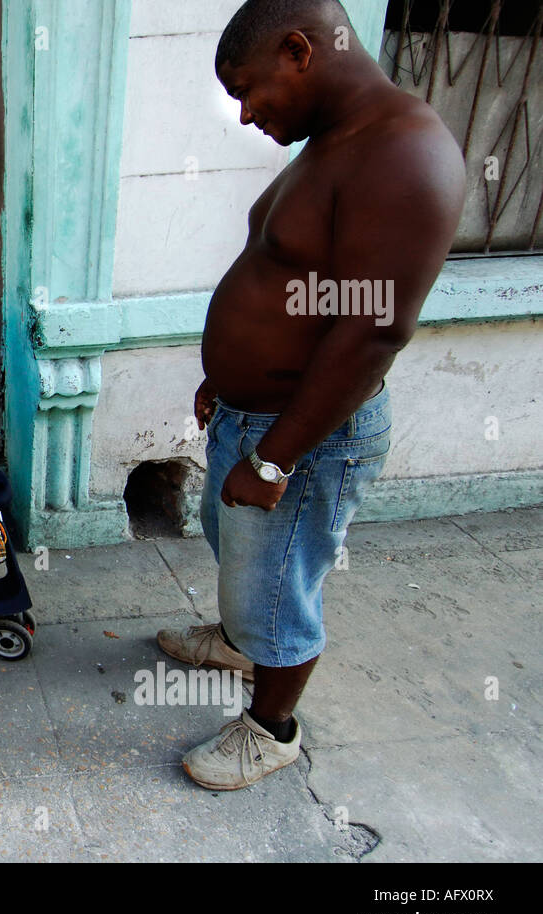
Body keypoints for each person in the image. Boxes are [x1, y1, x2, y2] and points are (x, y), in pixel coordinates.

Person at [155, 0, 465, 790]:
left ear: (299, 50)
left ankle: (272, 727)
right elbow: (286, 276)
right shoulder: (336, 140)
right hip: (250, 414)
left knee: (279, 586)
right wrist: (223, 375)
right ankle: (237, 640)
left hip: (304, 434)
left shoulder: (404, 154)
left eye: (249, 91)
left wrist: (273, 458)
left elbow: (372, 333)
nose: (246, 112)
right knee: (238, 557)